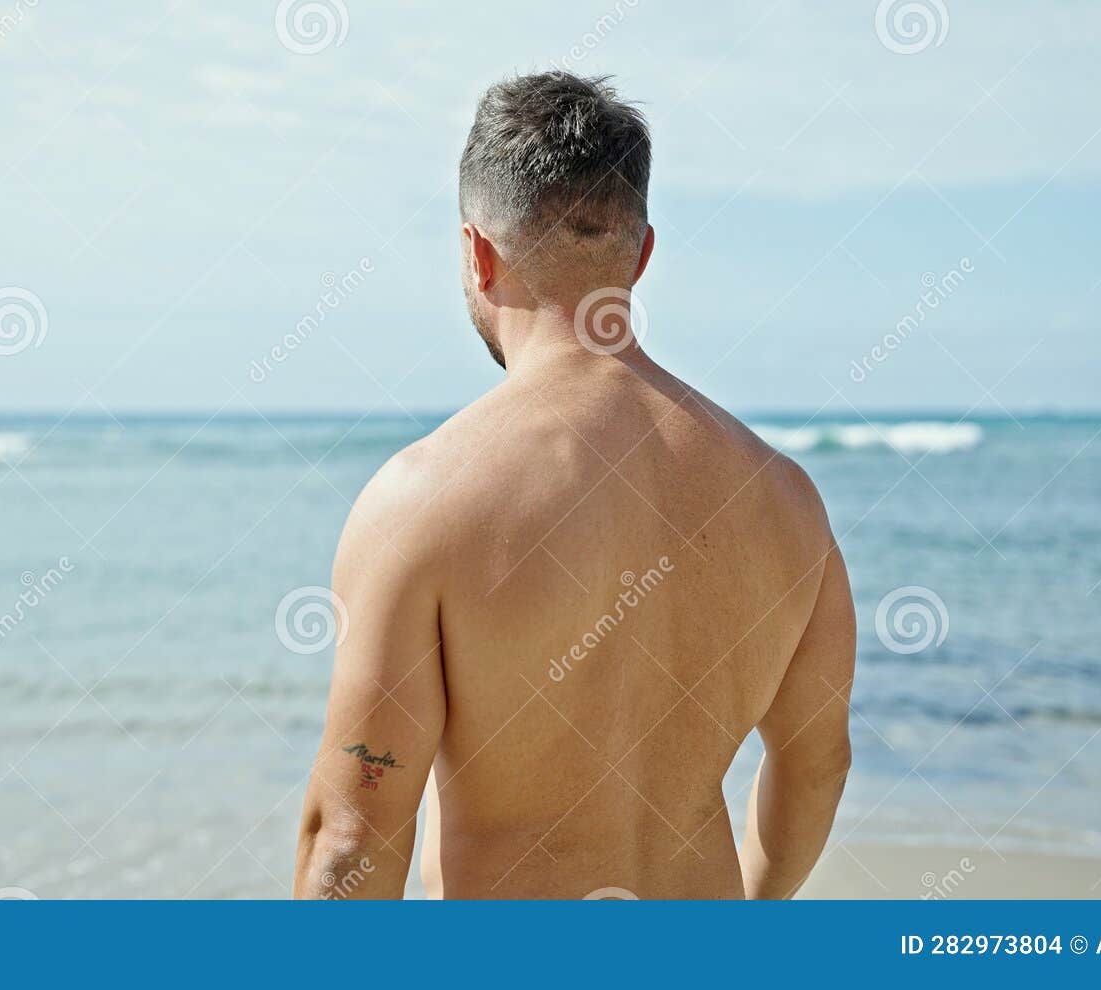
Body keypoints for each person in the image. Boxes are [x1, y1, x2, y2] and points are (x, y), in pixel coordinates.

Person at [293, 71, 854, 899]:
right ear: (643, 253)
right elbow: (816, 767)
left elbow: (353, 836)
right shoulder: (786, 498)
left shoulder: (424, 499)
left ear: (477, 255)